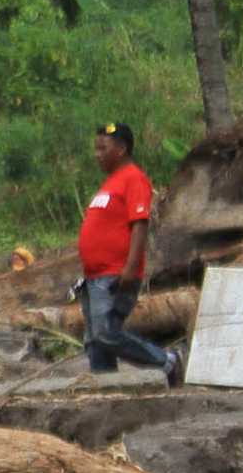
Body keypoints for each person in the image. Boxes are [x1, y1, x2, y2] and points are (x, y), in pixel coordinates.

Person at [77, 122, 183, 385]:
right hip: (95, 276)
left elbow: (140, 224)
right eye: (96, 148)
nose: (97, 154)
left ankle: (166, 361)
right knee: (95, 341)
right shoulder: (110, 184)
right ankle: (106, 387)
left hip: (115, 274)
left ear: (122, 149)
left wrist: (130, 267)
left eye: (103, 148)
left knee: (105, 334)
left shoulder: (133, 178)